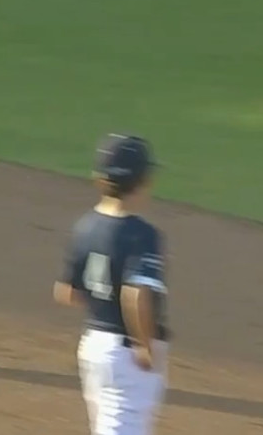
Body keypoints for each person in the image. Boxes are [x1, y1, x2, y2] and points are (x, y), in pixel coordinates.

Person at [53, 133, 170, 435]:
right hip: (127, 354)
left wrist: (104, 298)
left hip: (93, 347)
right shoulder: (142, 235)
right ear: (144, 181)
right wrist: (143, 345)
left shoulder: (85, 226)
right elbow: (136, 293)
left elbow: (67, 292)